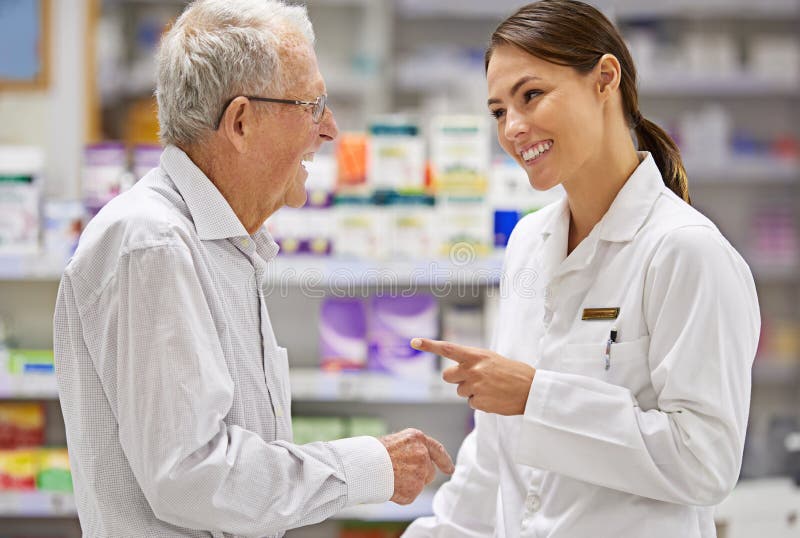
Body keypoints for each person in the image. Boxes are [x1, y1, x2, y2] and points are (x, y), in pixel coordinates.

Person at [53, 1, 453, 536]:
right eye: (311, 106)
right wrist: (364, 467)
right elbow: (192, 476)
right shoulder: (154, 244)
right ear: (241, 121)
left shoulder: (221, 242)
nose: (330, 129)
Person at [403, 1, 760, 537]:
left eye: (531, 95)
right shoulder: (528, 242)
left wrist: (536, 397)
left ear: (604, 79)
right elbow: (494, 452)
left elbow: (705, 462)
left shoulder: (685, 251)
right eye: (498, 111)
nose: (513, 127)